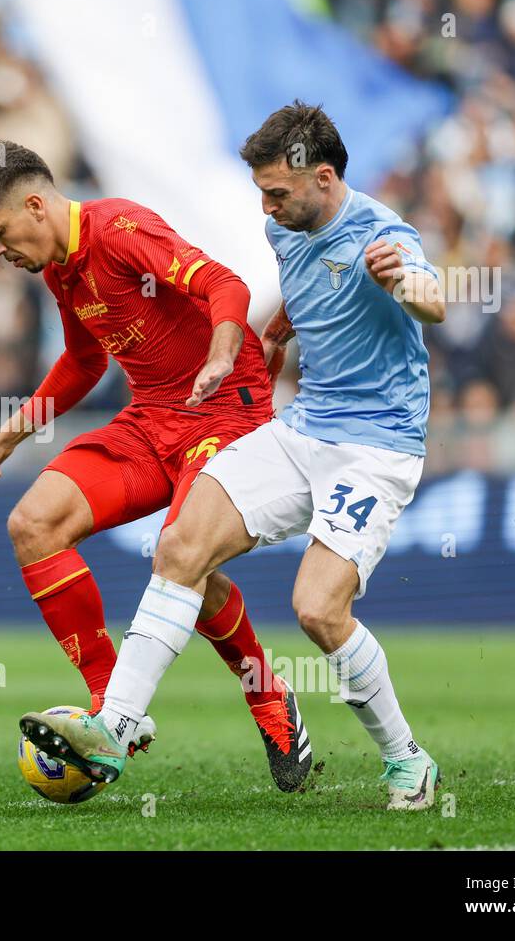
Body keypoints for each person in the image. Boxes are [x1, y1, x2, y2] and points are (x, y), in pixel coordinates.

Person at [22, 102, 447, 810]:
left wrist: (403, 283)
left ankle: (406, 758)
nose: (267, 207)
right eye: (261, 192)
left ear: (325, 177)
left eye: (278, 192)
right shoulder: (286, 231)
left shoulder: (381, 233)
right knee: (182, 544)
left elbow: (434, 302)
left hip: (373, 450)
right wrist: (282, 324)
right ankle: (116, 726)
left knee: (316, 610)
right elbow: (312, 291)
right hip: (301, 430)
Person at [0, 140, 311, 790]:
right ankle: (106, 709)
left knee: (183, 556)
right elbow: (85, 362)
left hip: (224, 408)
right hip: (153, 417)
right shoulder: (61, 266)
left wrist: (225, 347)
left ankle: (267, 694)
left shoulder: (120, 229)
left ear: (36, 205)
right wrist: (8, 438)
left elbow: (224, 284)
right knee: (34, 523)